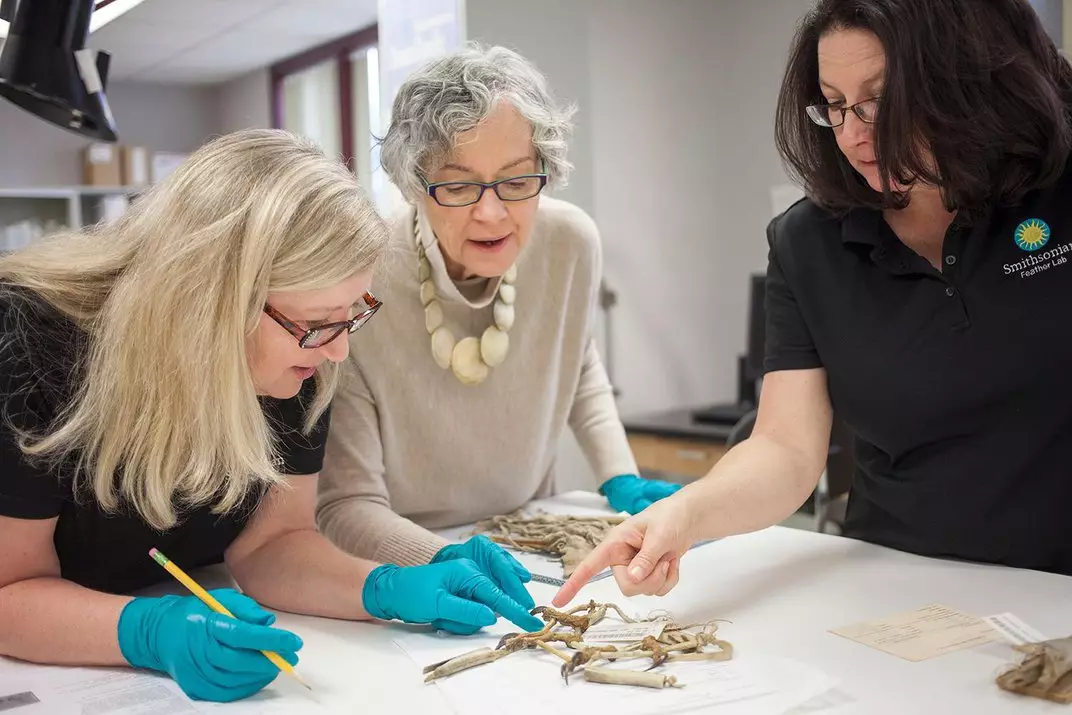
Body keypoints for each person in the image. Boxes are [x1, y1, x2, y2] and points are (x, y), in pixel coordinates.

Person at [553, 0, 1072, 607]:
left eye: (881, 100)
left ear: (967, 81)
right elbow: (785, 448)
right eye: (836, 104)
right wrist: (684, 514)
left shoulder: (1056, 188)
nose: (854, 133)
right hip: (900, 590)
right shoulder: (809, 242)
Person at [0, 129, 543, 705]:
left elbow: (273, 543)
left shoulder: (303, 358)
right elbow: (9, 589)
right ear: (209, 302)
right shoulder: (34, 345)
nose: (337, 351)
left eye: (349, 316)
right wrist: (145, 633)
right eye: (319, 323)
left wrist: (383, 587)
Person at [316, 44, 682, 580]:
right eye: (459, 186)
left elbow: (575, 362)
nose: (491, 213)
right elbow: (345, 505)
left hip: (528, 531)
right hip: (406, 552)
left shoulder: (569, 243)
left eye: (515, 182)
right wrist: (438, 558)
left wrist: (619, 476)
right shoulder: (363, 277)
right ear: (414, 185)